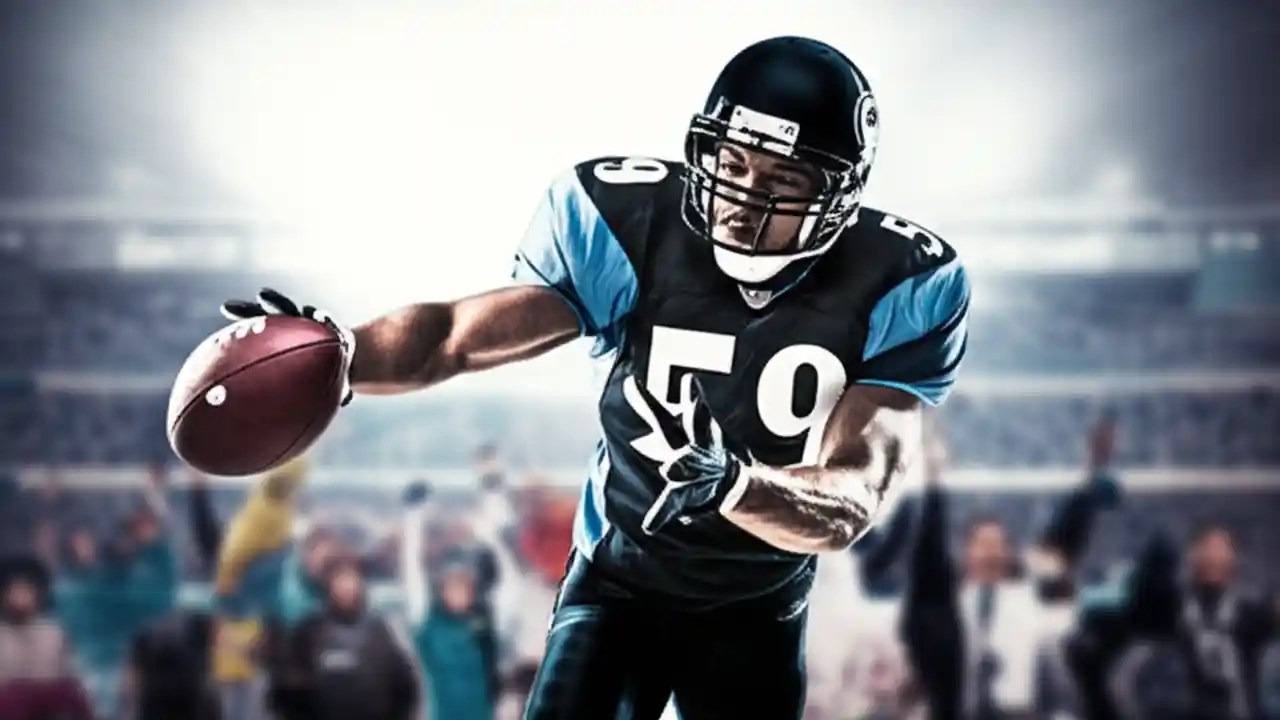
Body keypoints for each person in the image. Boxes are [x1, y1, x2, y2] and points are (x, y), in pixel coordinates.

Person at [222, 35, 970, 719]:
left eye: (783, 180)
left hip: (757, 597)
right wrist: (344, 352)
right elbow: (452, 337)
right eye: (732, 164)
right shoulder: (630, 222)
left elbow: (850, 498)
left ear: (838, 198)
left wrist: (734, 485)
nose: (745, 202)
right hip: (621, 576)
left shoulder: (903, 282)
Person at [269, 553, 419, 720]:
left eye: (352, 579)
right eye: (340, 580)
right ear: (329, 584)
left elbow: (405, 686)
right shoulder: (309, 632)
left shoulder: (379, 631)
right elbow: (285, 689)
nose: (347, 587)